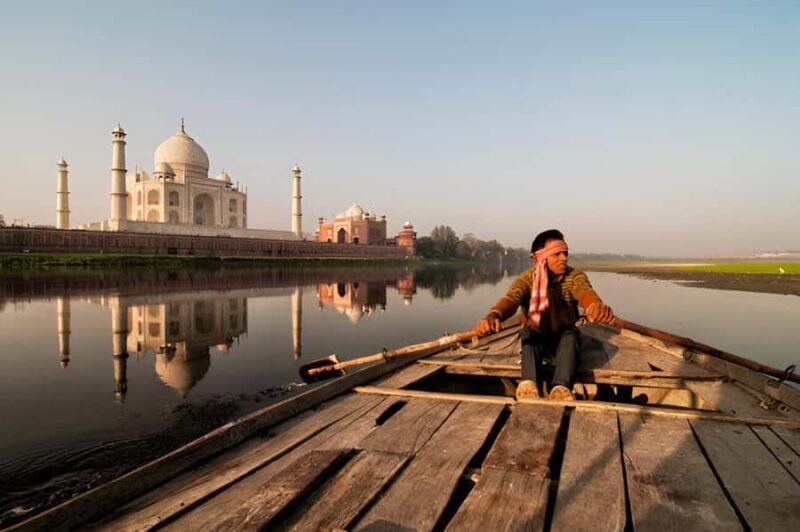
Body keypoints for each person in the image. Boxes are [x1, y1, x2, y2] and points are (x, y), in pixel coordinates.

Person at [475, 229, 618, 400]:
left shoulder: (573, 276)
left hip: (564, 336)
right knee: (527, 334)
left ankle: (561, 388)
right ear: (541, 258)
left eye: (565, 253)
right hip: (538, 335)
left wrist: (595, 306)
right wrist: (494, 316)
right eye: (557, 254)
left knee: (571, 336)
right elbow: (511, 300)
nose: (564, 258)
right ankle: (529, 385)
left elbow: (585, 292)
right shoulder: (526, 279)